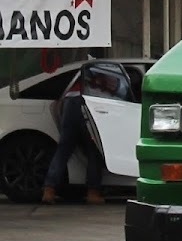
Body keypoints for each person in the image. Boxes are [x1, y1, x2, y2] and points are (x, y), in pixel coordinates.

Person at [40, 66, 124, 205]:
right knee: (94, 149)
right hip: (89, 104)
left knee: (63, 150)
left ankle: (49, 190)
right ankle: (93, 192)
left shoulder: (85, 71)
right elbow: (119, 90)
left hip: (70, 103)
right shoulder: (108, 72)